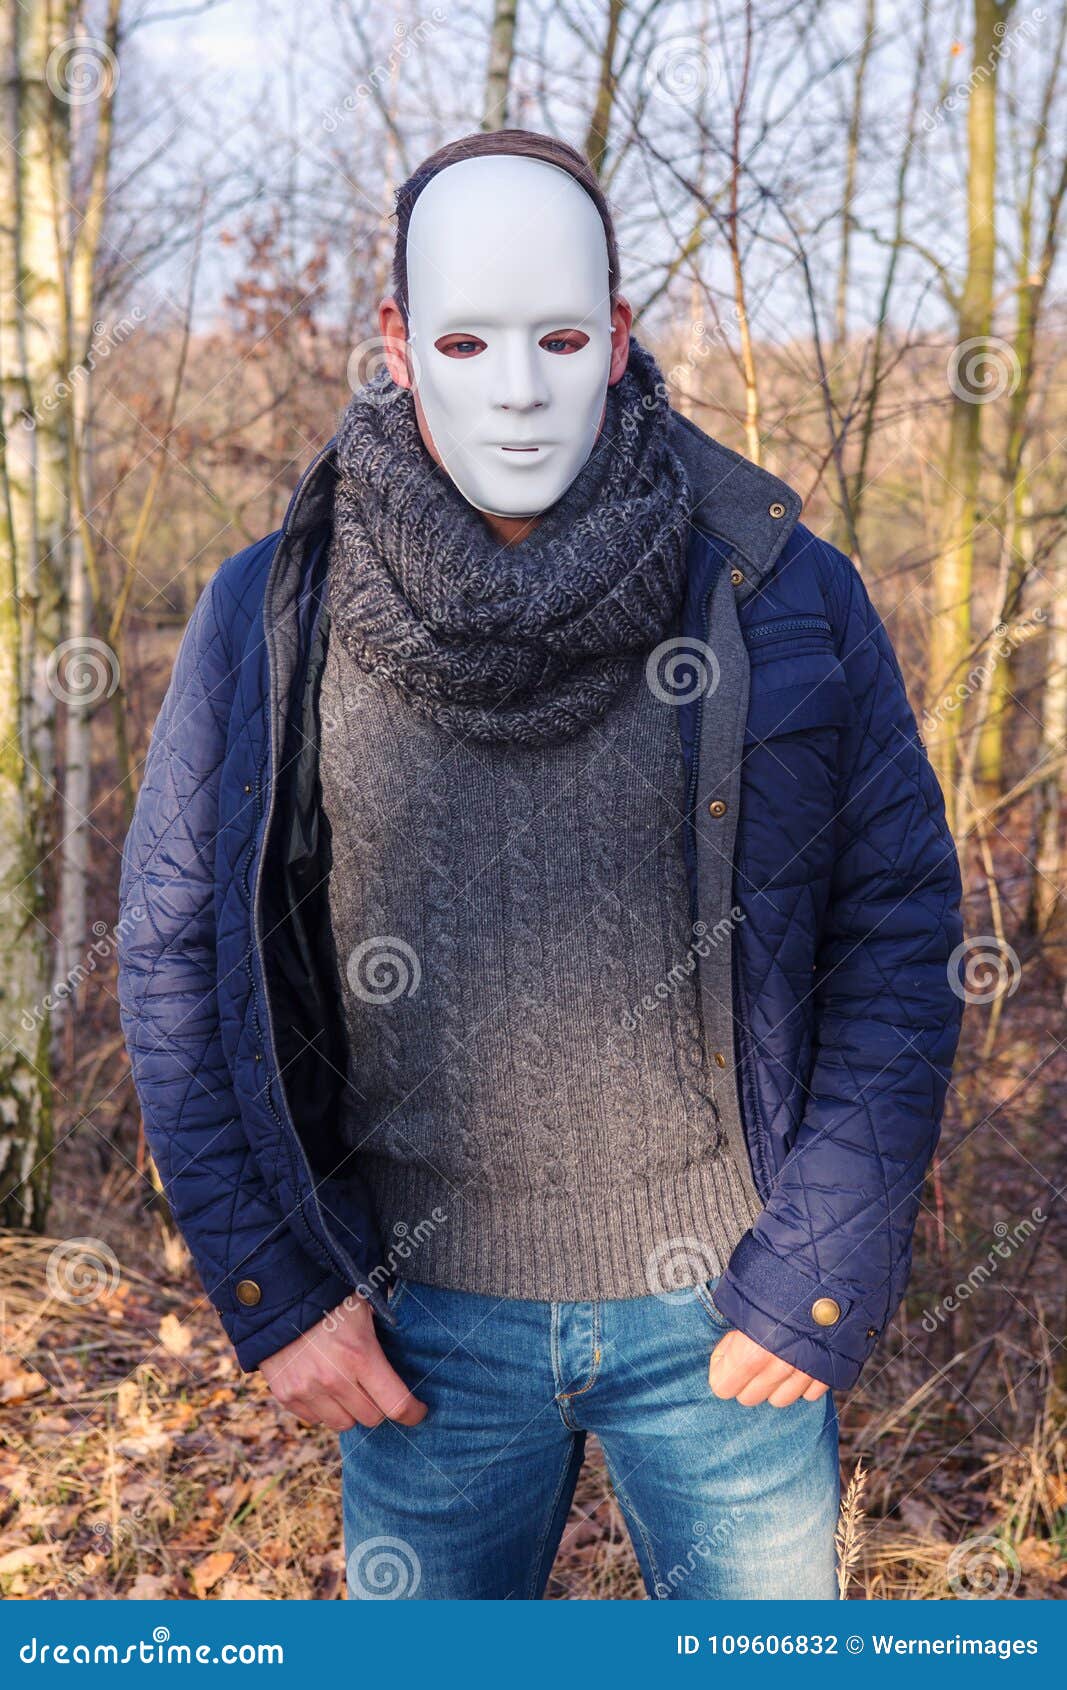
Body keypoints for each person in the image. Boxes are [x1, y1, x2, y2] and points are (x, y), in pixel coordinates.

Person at [117, 128, 964, 1601]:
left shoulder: (780, 589)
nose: (517, 387)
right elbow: (176, 949)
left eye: (561, 338)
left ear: (619, 338)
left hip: (728, 1319)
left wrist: (823, 1258)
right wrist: (279, 1291)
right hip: (418, 1330)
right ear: (397, 346)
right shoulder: (271, 609)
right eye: (465, 340)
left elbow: (896, 924)